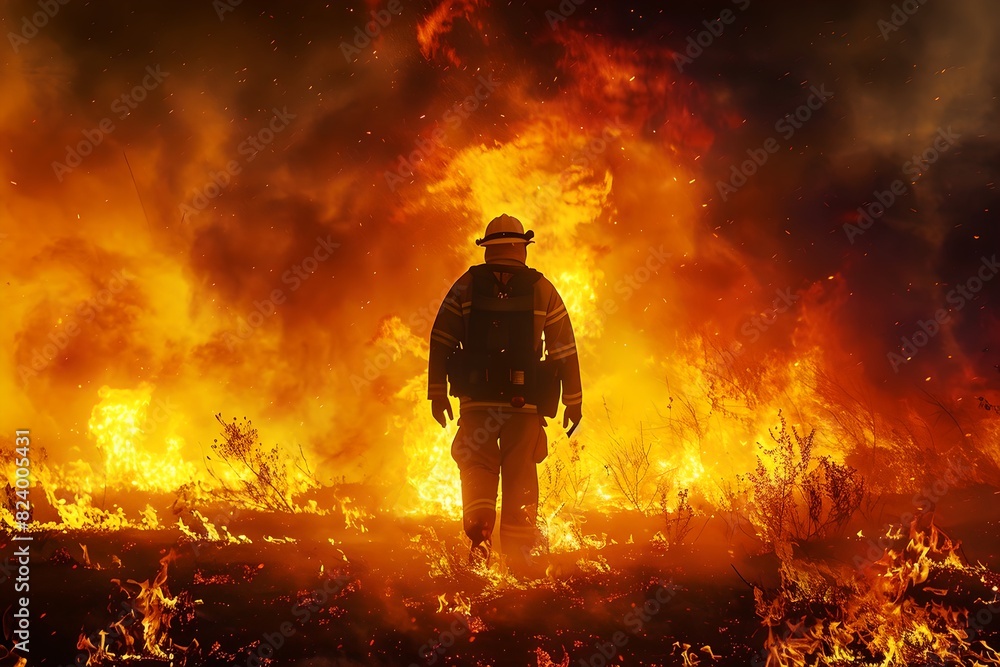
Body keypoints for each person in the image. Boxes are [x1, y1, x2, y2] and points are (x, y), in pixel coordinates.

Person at [426, 214, 583, 574]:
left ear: (488, 250)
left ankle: (480, 543)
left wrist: (437, 393)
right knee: (520, 475)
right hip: (523, 407)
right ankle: (518, 557)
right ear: (520, 249)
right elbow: (564, 350)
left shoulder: (465, 286)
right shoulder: (542, 288)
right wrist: (573, 401)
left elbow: (441, 339)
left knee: (478, 468)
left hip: (477, 405)